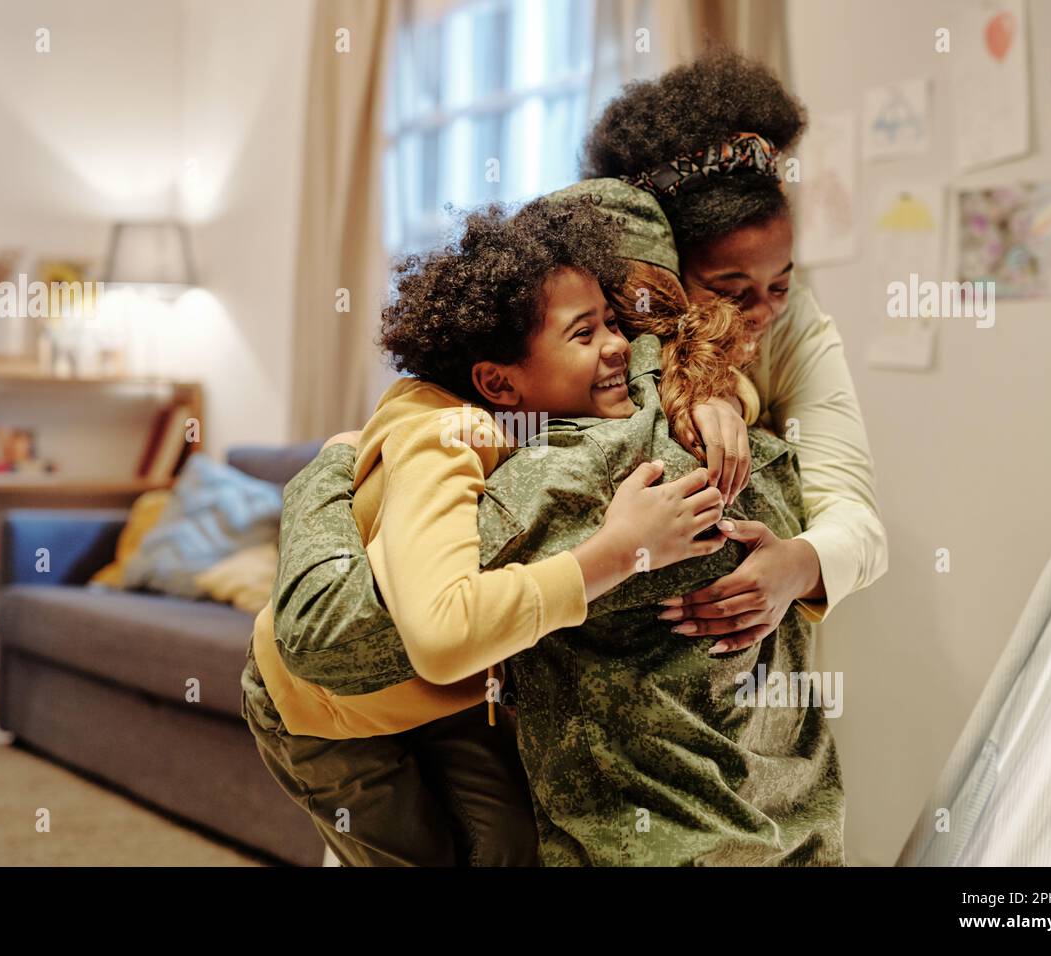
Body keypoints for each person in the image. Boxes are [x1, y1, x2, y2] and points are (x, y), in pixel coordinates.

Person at [243, 192, 756, 866]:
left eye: (610, 322)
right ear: (498, 382)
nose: (616, 346)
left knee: (514, 847)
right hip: (324, 712)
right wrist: (618, 552)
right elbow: (443, 636)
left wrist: (721, 396)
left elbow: (656, 370)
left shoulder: (537, 416)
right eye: (584, 333)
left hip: (444, 699)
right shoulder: (446, 436)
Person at [581, 46, 888, 648]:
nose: (763, 311)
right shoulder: (603, 323)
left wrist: (794, 567)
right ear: (662, 270)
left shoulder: (794, 318)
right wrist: (699, 390)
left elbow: (858, 522)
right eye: (729, 289)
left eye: (781, 281)